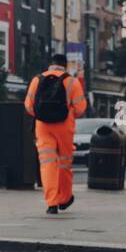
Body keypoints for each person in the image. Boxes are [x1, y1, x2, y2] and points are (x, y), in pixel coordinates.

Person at [24, 55, 87, 214]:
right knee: (64, 163)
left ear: (51, 65)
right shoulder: (72, 81)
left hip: (43, 126)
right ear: (64, 66)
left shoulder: (37, 80)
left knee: (47, 164)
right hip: (64, 126)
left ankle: (51, 203)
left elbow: (29, 107)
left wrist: (42, 116)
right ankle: (64, 199)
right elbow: (80, 109)